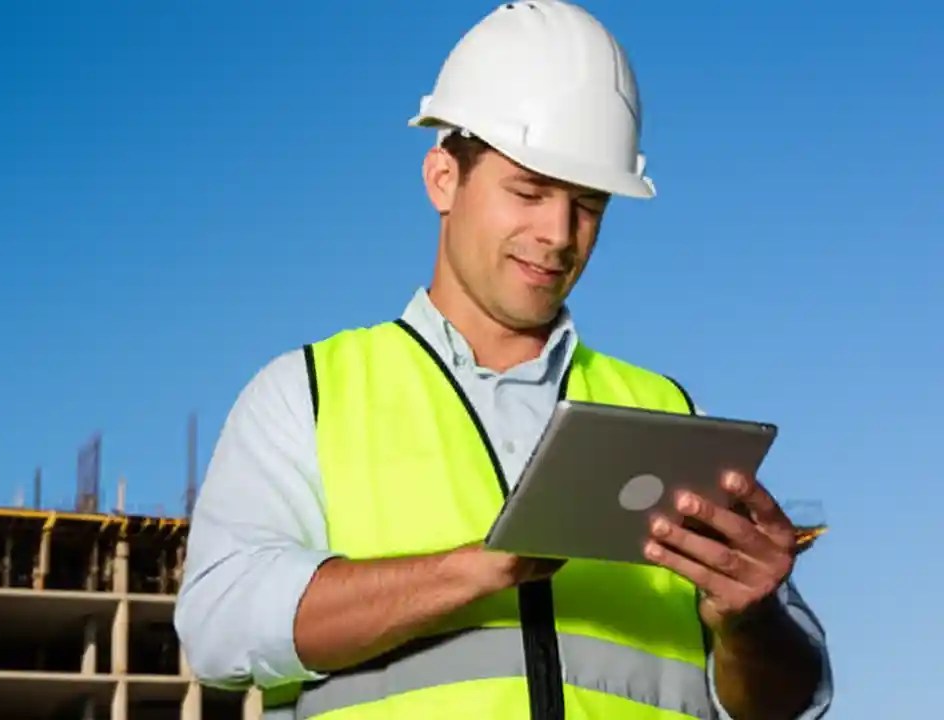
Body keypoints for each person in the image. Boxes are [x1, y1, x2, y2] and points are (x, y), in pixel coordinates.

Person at [174, 1, 833, 718]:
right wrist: (476, 569)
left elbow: (779, 701)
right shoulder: (309, 395)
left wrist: (750, 616)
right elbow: (218, 630)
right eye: (529, 191)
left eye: (588, 204)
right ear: (442, 179)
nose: (558, 233)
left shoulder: (669, 413)